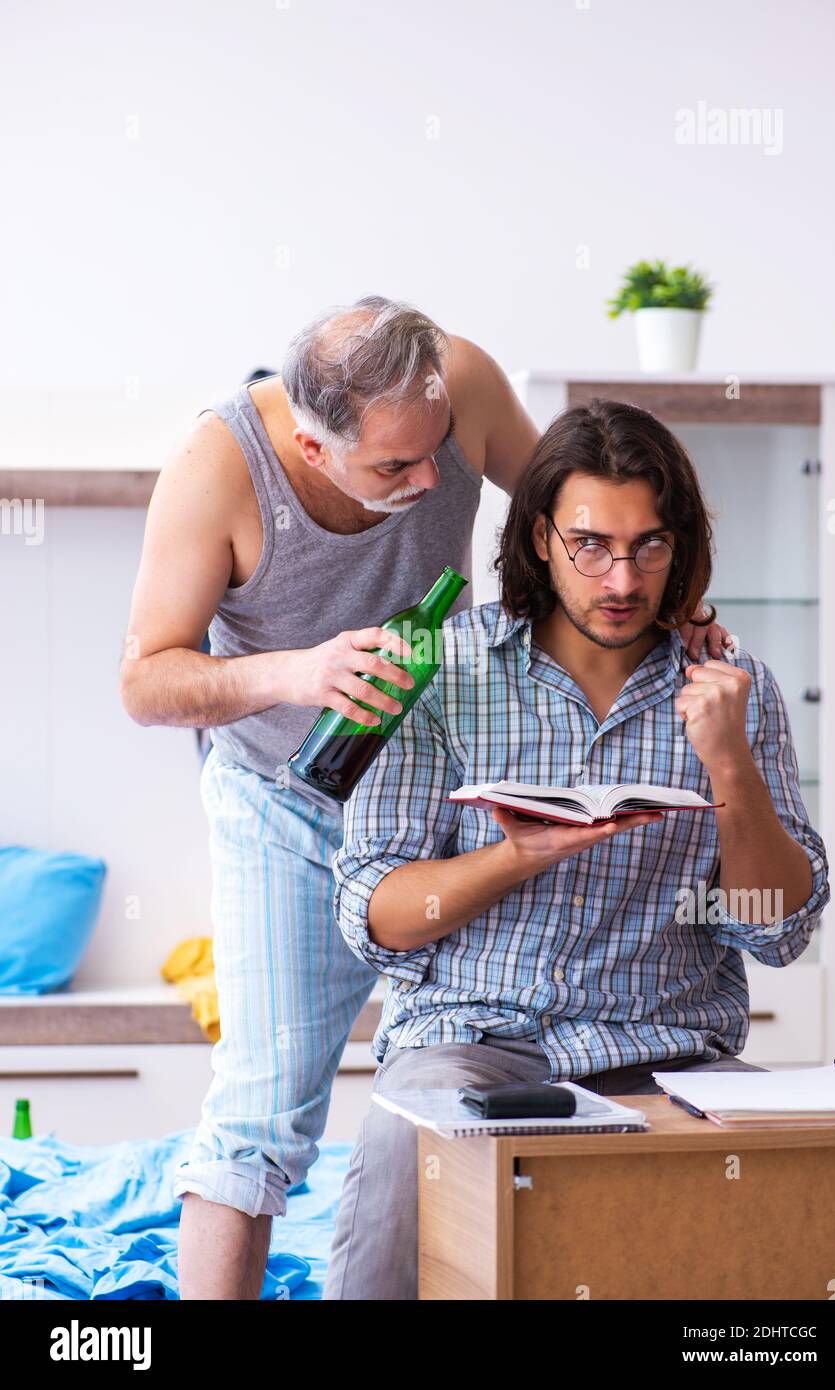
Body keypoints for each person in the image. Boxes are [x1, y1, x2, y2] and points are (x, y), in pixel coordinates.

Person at [119, 297, 728, 1299]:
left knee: (444, 1067)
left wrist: (688, 604)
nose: (434, 480)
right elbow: (145, 681)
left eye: (439, 447)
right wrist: (297, 674)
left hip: (438, 786)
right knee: (264, 1110)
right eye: (394, 469)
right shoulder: (216, 469)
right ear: (311, 444)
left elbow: (577, 514)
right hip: (290, 796)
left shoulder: (465, 380)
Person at [324, 397, 830, 1301]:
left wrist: (731, 769)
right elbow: (375, 918)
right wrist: (515, 856)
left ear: (681, 547)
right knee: (403, 1152)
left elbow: (776, 933)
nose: (622, 579)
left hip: (671, 1049)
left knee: (788, 1206)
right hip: (475, 1041)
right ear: (539, 541)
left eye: (649, 546)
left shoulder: (732, 688)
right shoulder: (443, 668)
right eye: (590, 544)